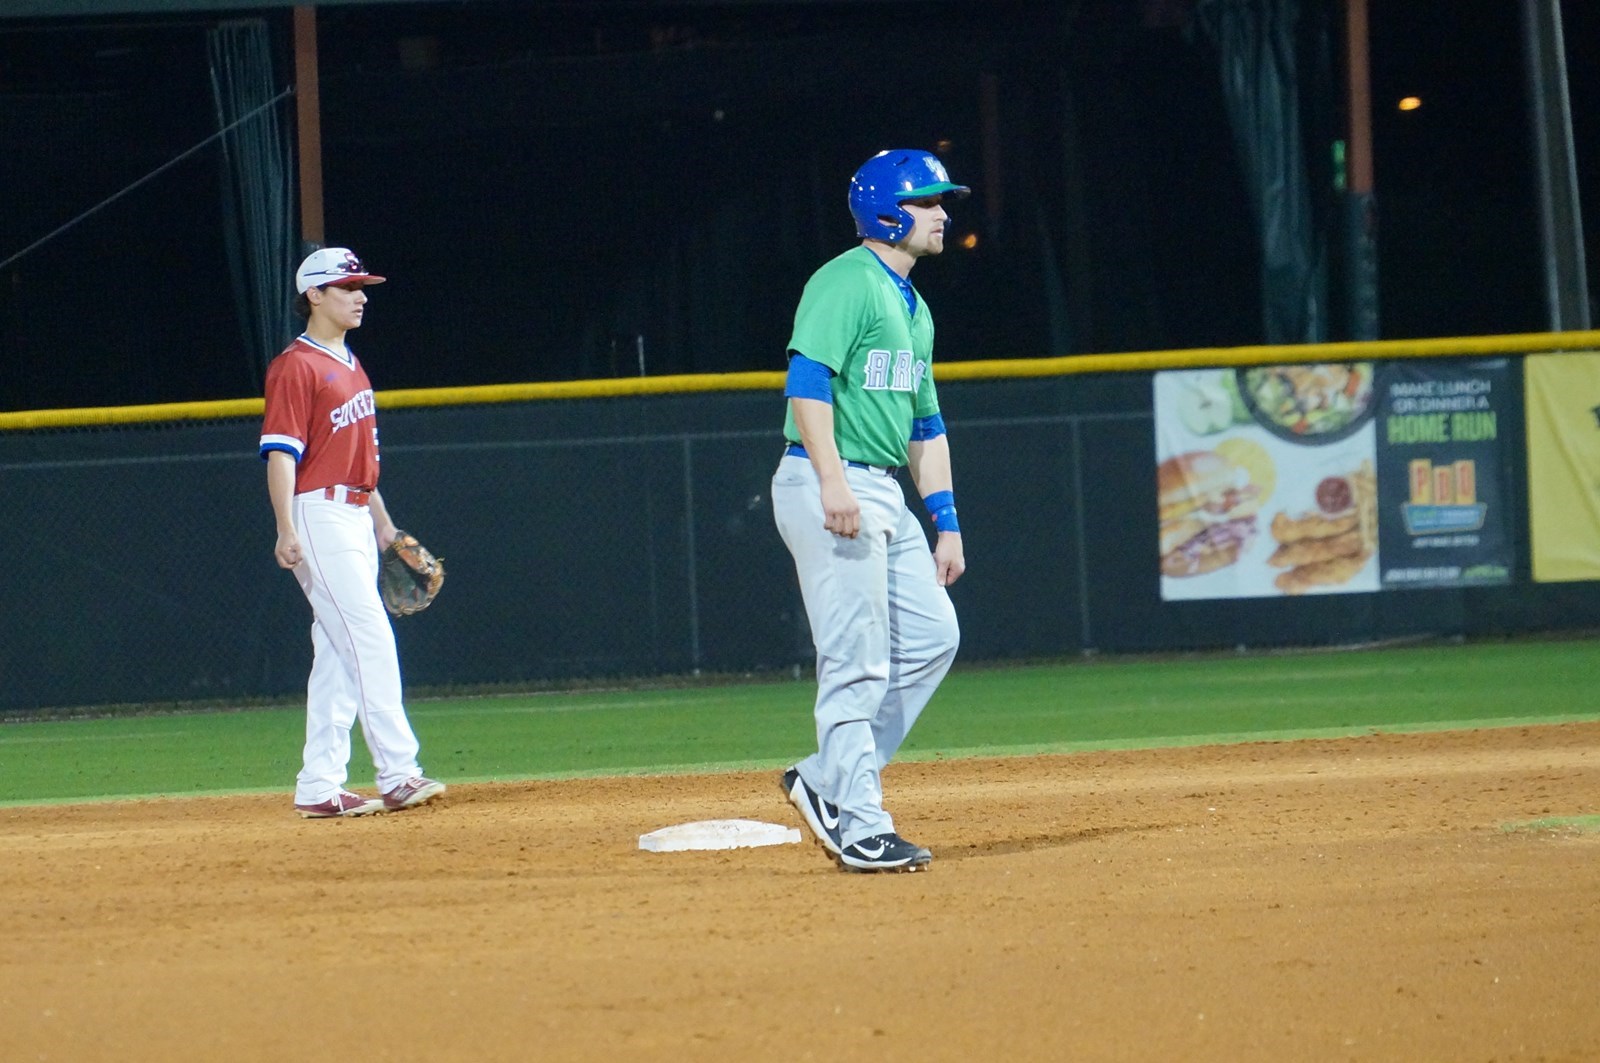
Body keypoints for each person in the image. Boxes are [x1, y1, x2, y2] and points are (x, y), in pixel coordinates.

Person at [772, 149, 968, 873]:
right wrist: (831, 481)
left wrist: (945, 520)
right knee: (856, 661)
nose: (943, 214)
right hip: (828, 479)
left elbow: (926, 427)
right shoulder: (846, 279)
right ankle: (860, 822)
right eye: (929, 202)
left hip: (883, 486)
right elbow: (806, 378)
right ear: (889, 209)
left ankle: (826, 779)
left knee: (932, 637)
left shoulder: (914, 308)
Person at [259, 247, 446, 819]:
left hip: (356, 514)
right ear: (314, 295)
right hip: (317, 516)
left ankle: (319, 784)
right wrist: (284, 527)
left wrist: (384, 528)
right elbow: (281, 455)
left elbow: (361, 460)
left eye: (362, 286)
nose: (361, 295)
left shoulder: (349, 362)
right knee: (367, 637)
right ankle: (398, 773)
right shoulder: (297, 366)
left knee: (338, 654)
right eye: (348, 287)